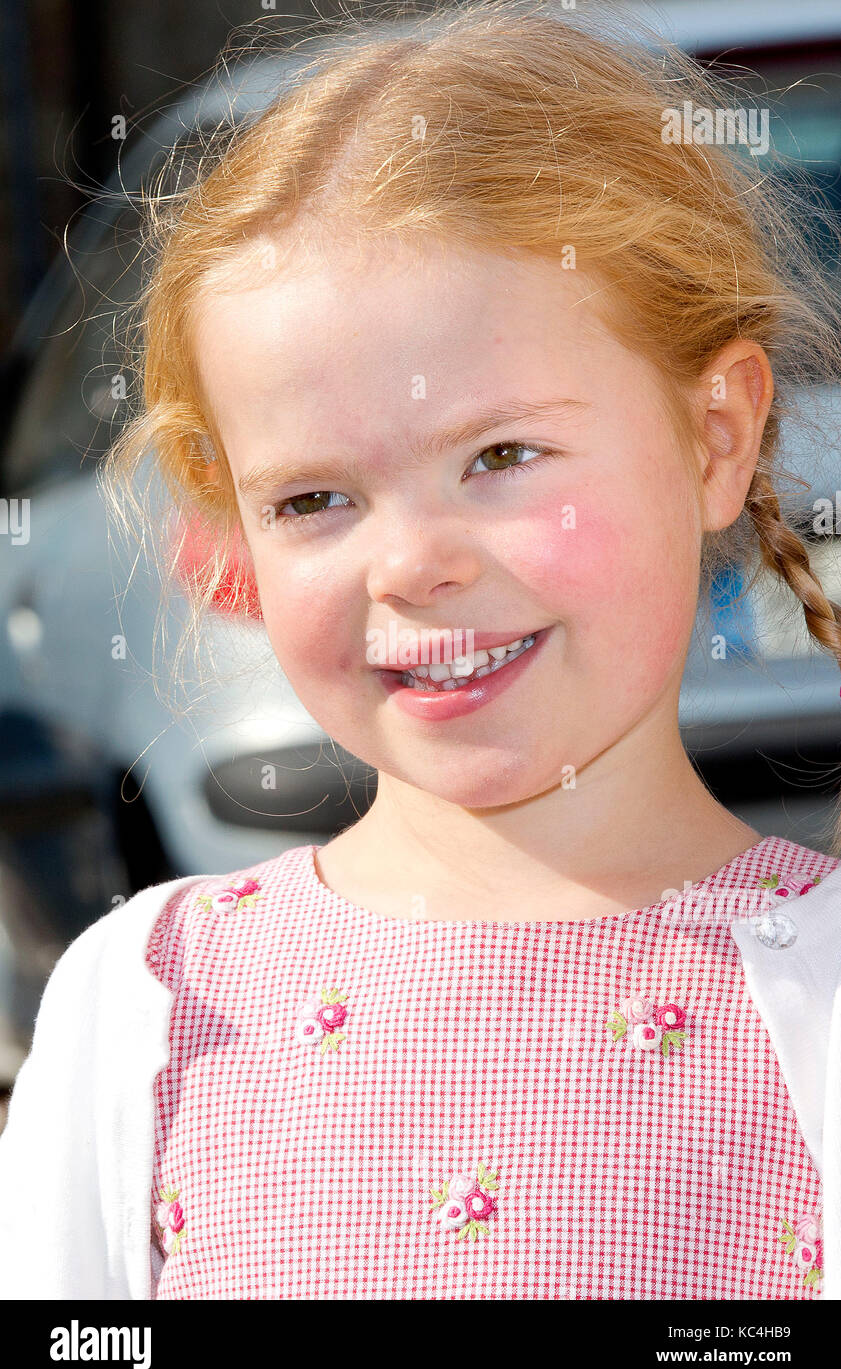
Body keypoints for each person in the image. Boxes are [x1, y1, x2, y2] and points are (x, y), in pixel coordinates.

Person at [2, 0, 841, 1300]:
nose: (409, 561)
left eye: (498, 457)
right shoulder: (144, 1011)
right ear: (225, 536)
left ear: (714, 437)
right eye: (313, 498)